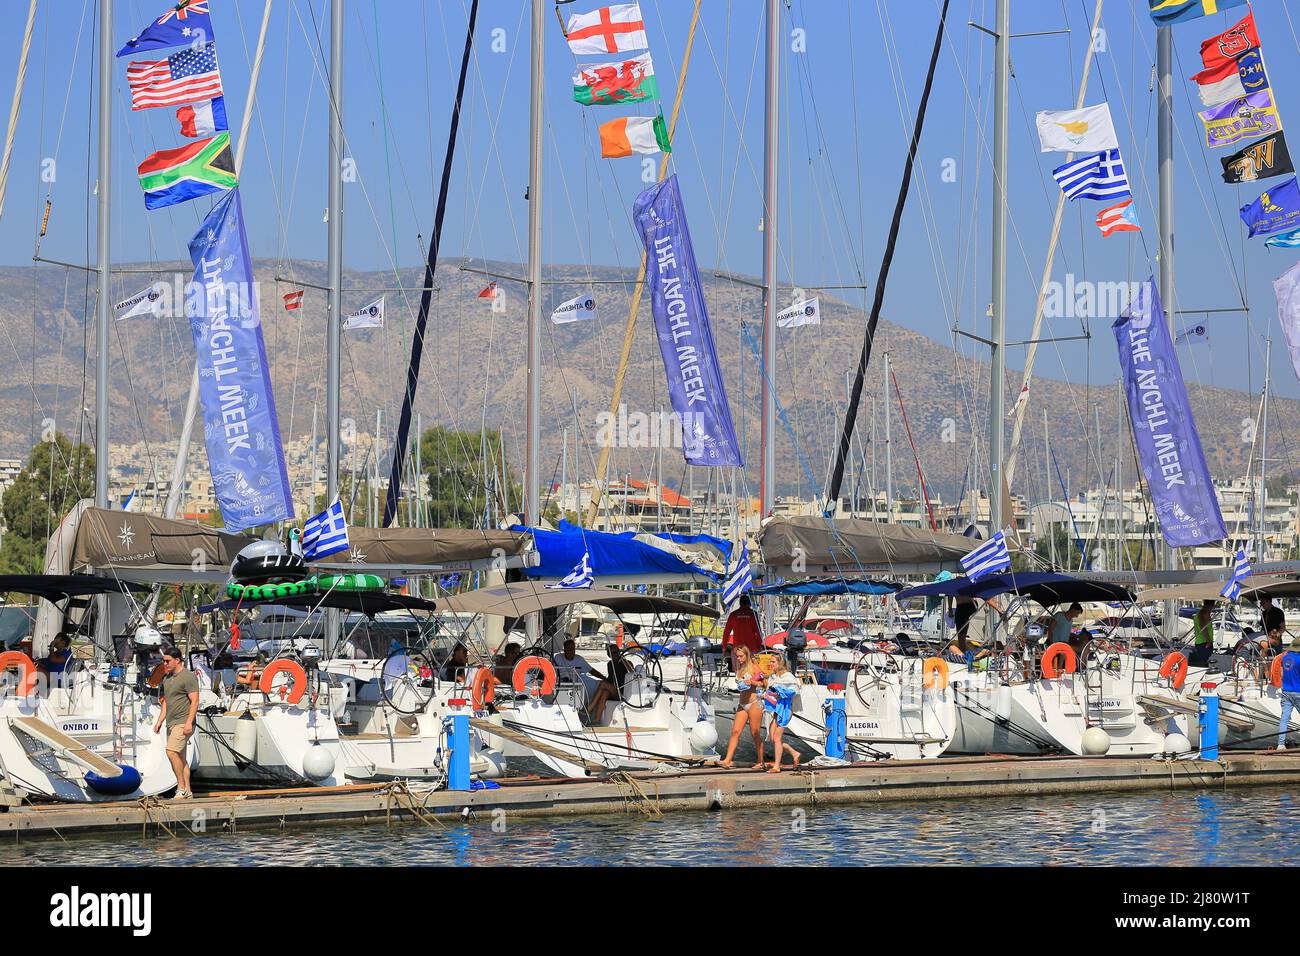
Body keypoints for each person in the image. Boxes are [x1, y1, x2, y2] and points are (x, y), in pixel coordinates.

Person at [153, 646, 199, 800]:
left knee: (171, 752)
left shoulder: (188, 677)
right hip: (171, 723)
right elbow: (166, 701)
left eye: (167, 661)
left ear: (177, 660)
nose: (164, 664)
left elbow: (195, 701)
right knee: (180, 757)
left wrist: (188, 722)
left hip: (184, 722)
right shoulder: (167, 679)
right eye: (164, 661)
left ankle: (180, 787)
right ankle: (189, 791)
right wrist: (160, 720)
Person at [719, 645, 766, 769]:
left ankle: (761, 761)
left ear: (747, 655)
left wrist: (752, 682)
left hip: (754, 703)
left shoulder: (754, 667)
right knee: (735, 732)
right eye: (737, 656)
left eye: (741, 656)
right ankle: (727, 760)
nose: (738, 658)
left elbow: (764, 684)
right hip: (742, 703)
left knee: (755, 733)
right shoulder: (739, 669)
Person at [762, 658, 801, 773]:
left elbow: (794, 691)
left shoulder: (788, 676)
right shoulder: (773, 677)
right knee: (774, 738)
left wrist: (780, 691)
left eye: (773, 662)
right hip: (775, 710)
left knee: (777, 738)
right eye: (770, 661)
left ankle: (777, 766)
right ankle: (794, 753)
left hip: (784, 709)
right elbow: (770, 693)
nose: (771, 664)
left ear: (780, 663)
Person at [584, 643, 630, 723]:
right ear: (609, 655)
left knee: (603, 684)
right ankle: (597, 719)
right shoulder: (609, 664)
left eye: (615, 652)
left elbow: (633, 672)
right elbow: (611, 678)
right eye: (611, 653)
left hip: (622, 692)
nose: (614, 655)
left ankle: (590, 708)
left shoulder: (626, 662)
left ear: (619, 652)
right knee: (605, 692)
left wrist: (624, 660)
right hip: (614, 690)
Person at [722, 595, 763, 668]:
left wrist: (724, 647)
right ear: (750, 603)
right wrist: (759, 646)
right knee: (752, 672)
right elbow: (758, 632)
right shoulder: (753, 614)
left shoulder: (733, 615)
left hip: (737, 649)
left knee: (738, 673)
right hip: (751, 648)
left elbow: (726, 633)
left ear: (740, 603)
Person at [1277, 645, 1300, 750]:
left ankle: (1280, 744)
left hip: (1286, 691)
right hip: (1298, 691)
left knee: (1284, 719)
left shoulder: (1285, 657)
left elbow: (1282, 673)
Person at [1188, 600, 1215, 667]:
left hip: (1201, 642)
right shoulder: (1203, 614)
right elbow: (1203, 628)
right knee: (1203, 663)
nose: (1212, 609)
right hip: (1204, 642)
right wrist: (1208, 641)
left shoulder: (1201, 613)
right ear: (1210, 606)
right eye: (1212, 607)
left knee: (1204, 661)